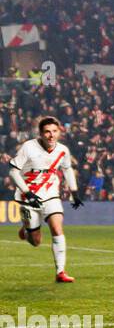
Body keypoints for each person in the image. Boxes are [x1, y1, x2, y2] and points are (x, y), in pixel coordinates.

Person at [9, 117, 82, 283]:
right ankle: (27, 230)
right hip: (27, 198)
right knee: (36, 241)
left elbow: (67, 169)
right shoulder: (28, 147)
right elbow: (13, 171)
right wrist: (27, 193)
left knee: (57, 228)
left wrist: (74, 192)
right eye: (47, 132)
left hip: (50, 195)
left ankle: (60, 272)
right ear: (40, 133)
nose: (51, 135)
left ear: (59, 132)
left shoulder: (62, 150)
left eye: (54, 131)